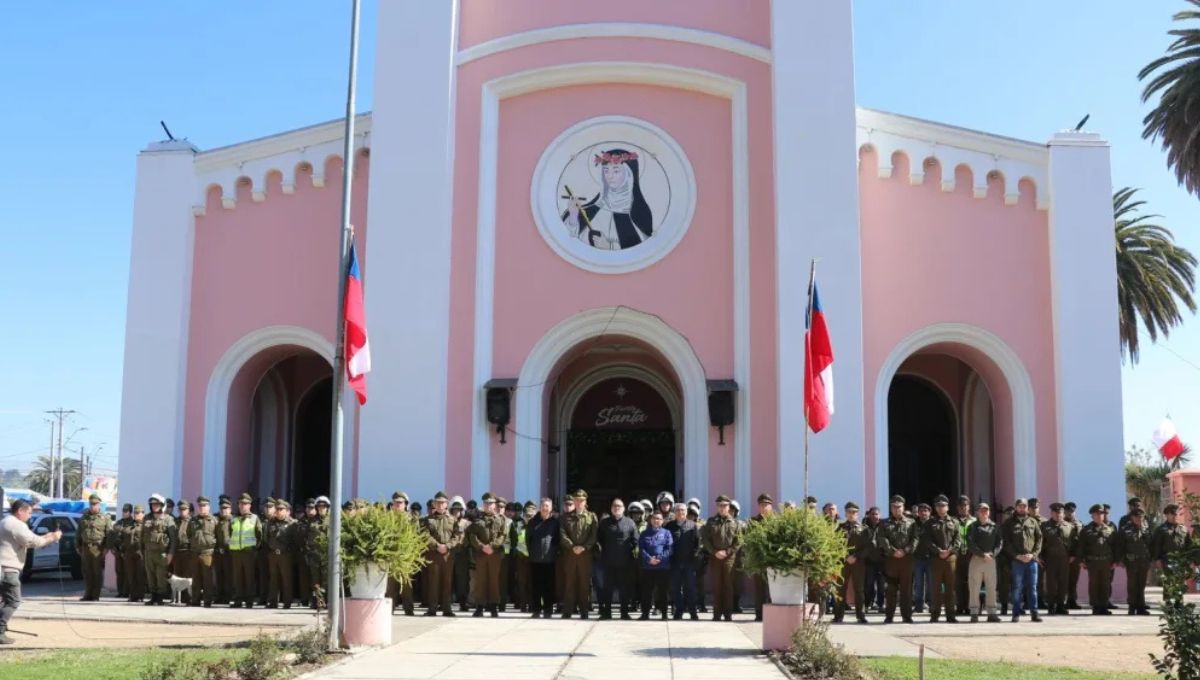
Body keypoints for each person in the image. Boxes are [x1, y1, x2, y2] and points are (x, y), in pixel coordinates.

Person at [1, 499, 63, 644]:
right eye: (28, 512)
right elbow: (33, 542)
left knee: (4, 600)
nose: (30, 516)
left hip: (3, 568)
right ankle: (0, 631)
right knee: (13, 601)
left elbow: (31, 539)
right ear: (20, 511)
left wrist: (47, 536)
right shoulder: (16, 525)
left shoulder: (5, 521)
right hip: (8, 570)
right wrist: (53, 537)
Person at [421, 491, 463, 617]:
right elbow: (424, 535)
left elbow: (457, 536)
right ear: (434, 504)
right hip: (433, 554)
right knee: (433, 582)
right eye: (438, 502)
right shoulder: (427, 520)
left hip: (447, 555)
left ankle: (447, 608)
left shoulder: (452, 520)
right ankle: (432, 608)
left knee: (447, 581)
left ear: (446, 505)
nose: (440, 505)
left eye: (442, 503)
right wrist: (437, 546)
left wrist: (447, 546)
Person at [876, 495, 917, 624]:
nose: (896, 509)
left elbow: (915, 539)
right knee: (891, 590)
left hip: (906, 560)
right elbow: (882, 539)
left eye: (899, 507)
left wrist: (905, 551)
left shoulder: (912, 522)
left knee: (906, 590)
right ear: (891, 508)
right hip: (891, 560)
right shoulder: (884, 523)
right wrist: (893, 551)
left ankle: (907, 616)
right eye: (894, 507)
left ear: (903, 507)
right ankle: (889, 616)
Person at [701, 494, 741, 622]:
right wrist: (714, 552)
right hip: (715, 557)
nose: (722, 508)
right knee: (717, 586)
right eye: (720, 505)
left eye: (724, 505)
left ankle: (728, 614)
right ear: (717, 507)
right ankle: (717, 614)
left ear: (729, 507)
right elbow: (705, 539)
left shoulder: (735, 522)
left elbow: (739, 540)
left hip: (729, 558)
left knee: (728, 586)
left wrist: (728, 551)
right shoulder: (711, 522)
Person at [597, 498, 638, 620]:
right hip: (608, 561)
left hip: (625, 562)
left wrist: (628, 550)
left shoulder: (630, 523)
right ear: (611, 508)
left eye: (619, 506)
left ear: (624, 509)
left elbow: (635, 540)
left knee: (624, 589)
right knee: (607, 588)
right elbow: (599, 540)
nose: (617, 508)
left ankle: (624, 613)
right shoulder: (604, 523)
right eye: (614, 506)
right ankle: (606, 612)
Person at [1003, 498, 1042, 623]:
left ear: (1027, 508)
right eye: (1020, 506)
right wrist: (1017, 556)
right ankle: (1016, 613)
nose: (1022, 508)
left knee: (1032, 588)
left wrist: (1033, 555)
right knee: (1017, 588)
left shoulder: (1032, 522)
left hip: (1031, 561)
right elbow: (1006, 543)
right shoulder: (1009, 523)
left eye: (1024, 506)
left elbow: (1039, 539)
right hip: (1017, 561)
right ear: (1016, 507)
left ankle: (1034, 613)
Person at [560, 489, 597, 619]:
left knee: (584, 584)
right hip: (570, 555)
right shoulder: (565, 517)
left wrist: (584, 548)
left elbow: (593, 536)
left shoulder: (592, 517)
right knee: (569, 582)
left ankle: (584, 611)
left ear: (585, 502)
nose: (578, 503)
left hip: (585, 556)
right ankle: (568, 610)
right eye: (576, 500)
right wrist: (572, 547)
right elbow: (562, 534)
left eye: (581, 501)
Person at [469, 493, 506, 617]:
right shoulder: (477, 519)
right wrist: (482, 546)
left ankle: (494, 606)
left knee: (494, 581)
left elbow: (502, 536)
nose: (488, 506)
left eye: (491, 503)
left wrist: (492, 546)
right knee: (481, 581)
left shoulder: (501, 519)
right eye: (486, 503)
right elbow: (472, 536)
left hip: (494, 554)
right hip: (481, 554)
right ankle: (479, 606)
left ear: (495, 505)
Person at [1074, 503, 1115, 615]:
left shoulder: (1109, 529)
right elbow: (1080, 547)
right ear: (1092, 516)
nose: (1100, 516)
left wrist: (1115, 561)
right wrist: (1080, 561)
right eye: (1097, 514)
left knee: (1105, 584)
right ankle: (1096, 606)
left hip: (1106, 561)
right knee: (1094, 584)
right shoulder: (1086, 530)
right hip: (1093, 562)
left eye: (1101, 514)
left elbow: (1114, 546)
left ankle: (1104, 606)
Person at [833, 502, 871, 624]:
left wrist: (856, 556)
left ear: (857, 514)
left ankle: (861, 615)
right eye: (849, 512)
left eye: (854, 512)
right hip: (843, 562)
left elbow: (868, 547)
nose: (851, 514)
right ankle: (838, 615)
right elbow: (836, 544)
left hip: (858, 562)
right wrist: (845, 556)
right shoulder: (840, 528)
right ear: (845, 513)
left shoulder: (864, 529)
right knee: (840, 589)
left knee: (859, 589)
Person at [926, 495, 961, 623]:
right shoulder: (930, 523)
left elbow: (958, 540)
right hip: (936, 559)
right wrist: (938, 551)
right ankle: (935, 614)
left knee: (950, 588)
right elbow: (927, 540)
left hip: (950, 559)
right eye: (939, 506)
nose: (941, 508)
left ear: (947, 507)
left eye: (944, 506)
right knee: (935, 588)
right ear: (935, 508)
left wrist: (949, 551)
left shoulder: (954, 522)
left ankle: (950, 615)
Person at [966, 502, 1003, 623]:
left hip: (990, 560)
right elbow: (970, 543)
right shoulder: (972, 527)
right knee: (974, 587)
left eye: (986, 510)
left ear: (989, 512)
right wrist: (982, 554)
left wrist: (993, 554)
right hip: (977, 559)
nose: (984, 512)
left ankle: (992, 613)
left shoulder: (995, 526)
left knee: (991, 587)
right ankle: (974, 613)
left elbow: (1000, 542)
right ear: (977, 512)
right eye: (982, 510)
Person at [76, 493, 114, 601]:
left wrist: (107, 548)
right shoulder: (84, 517)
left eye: (95, 504)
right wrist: (77, 546)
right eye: (91, 504)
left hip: (98, 548)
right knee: (87, 572)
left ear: (99, 505)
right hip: (85, 548)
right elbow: (79, 532)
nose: (93, 506)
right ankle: (88, 593)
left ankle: (95, 595)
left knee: (97, 572)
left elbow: (110, 534)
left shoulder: (105, 518)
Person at [525, 497, 559, 618]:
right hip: (536, 559)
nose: (545, 508)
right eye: (543, 505)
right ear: (540, 507)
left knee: (549, 586)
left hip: (550, 560)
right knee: (536, 586)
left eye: (547, 506)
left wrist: (554, 553)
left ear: (551, 508)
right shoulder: (533, 522)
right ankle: (536, 610)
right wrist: (532, 553)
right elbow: (528, 540)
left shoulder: (555, 522)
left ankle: (548, 610)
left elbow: (557, 540)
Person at [665, 502, 699, 620]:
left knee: (690, 589)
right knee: (675, 589)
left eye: (683, 510)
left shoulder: (692, 525)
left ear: (686, 512)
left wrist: (694, 558)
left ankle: (693, 611)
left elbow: (697, 544)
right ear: (675, 512)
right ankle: (678, 611)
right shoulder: (669, 526)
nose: (680, 512)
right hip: (674, 563)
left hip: (689, 563)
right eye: (678, 510)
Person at [1039, 502, 1075, 615]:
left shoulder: (1069, 527)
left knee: (1063, 582)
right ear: (1051, 513)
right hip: (1050, 559)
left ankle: (1061, 605)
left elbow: (1074, 542)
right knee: (1051, 583)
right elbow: (1040, 542)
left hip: (1064, 559)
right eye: (1055, 512)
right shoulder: (1045, 526)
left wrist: (1073, 555)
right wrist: (1040, 556)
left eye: (1060, 512)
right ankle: (1051, 605)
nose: (1058, 514)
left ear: (1063, 513)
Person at [141, 493, 177, 606]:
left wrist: (170, 554)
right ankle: (153, 597)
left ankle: (160, 598)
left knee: (160, 576)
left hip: (162, 553)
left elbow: (173, 539)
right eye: (152, 505)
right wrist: (142, 551)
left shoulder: (168, 519)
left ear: (162, 505)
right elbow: (142, 535)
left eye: (157, 504)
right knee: (150, 576)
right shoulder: (147, 518)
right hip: (148, 552)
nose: (154, 506)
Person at [1115, 508, 1152, 615]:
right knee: (1132, 584)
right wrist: (1120, 559)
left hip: (1144, 560)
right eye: (1136, 517)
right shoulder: (1125, 529)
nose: (1139, 519)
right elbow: (1120, 546)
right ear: (1132, 518)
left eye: (1141, 517)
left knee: (1141, 585)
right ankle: (1132, 607)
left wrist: (1152, 559)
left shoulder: (1147, 529)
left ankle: (1141, 607)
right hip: (1131, 561)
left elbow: (1151, 545)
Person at [229, 492, 263, 609]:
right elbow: (230, 534)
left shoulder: (254, 518)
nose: (242, 506)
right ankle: (237, 600)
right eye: (240, 504)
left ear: (250, 505)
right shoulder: (234, 519)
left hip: (249, 552)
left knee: (249, 577)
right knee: (237, 577)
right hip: (236, 553)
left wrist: (255, 548)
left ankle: (249, 601)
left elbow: (260, 535)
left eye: (245, 504)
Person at [638, 511, 673, 620]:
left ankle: (664, 614)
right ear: (650, 520)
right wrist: (649, 559)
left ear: (662, 521)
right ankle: (645, 614)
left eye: (658, 518)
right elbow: (641, 549)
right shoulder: (644, 533)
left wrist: (659, 558)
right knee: (646, 592)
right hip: (647, 567)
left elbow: (669, 549)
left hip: (662, 567)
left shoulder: (667, 533)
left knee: (663, 592)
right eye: (654, 518)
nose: (656, 520)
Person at [386, 492, 416, 615]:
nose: (398, 505)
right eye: (395, 503)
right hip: (391, 555)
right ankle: (389, 609)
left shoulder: (410, 519)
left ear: (405, 505)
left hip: (405, 556)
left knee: (406, 585)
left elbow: (416, 537)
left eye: (400, 503)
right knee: (390, 586)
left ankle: (408, 609)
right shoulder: (387, 518)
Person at [188, 496, 219, 607]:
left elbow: (218, 536)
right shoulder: (193, 521)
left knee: (207, 578)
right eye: (200, 506)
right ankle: (195, 600)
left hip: (208, 553)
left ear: (209, 507)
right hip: (195, 552)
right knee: (195, 578)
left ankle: (207, 600)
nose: (202, 508)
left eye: (204, 506)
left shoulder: (214, 520)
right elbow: (189, 534)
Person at [265, 500, 297, 609]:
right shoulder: (271, 522)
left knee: (286, 579)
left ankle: (287, 602)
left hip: (285, 555)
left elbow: (295, 541)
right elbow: (267, 538)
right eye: (277, 509)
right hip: (273, 555)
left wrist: (289, 552)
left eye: (281, 509)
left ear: (287, 511)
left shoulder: (292, 524)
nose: (278, 511)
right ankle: (273, 602)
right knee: (273, 579)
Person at [750, 493, 774, 621]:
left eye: (766, 505)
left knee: (773, 589)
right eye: (761, 505)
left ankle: (771, 615)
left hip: (772, 560)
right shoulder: (753, 522)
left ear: (771, 506)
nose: (764, 507)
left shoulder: (776, 521)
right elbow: (748, 541)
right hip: (758, 560)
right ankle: (759, 614)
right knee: (759, 589)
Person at [1151, 504, 1190, 578]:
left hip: (1181, 563)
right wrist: (1158, 561)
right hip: (1166, 563)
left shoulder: (1184, 529)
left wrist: (1189, 562)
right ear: (1166, 515)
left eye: (1176, 514)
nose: (1174, 516)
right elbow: (1156, 547)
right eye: (1172, 514)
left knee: (1181, 587)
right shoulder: (1160, 530)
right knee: (1169, 587)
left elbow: (1188, 546)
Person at [305, 496, 330, 609]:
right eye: (319, 506)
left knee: (326, 580)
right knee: (315, 580)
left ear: (327, 508)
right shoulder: (312, 521)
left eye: (323, 506)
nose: (321, 508)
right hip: (314, 555)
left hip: (326, 555)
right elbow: (306, 536)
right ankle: (316, 601)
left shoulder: (332, 520)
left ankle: (326, 601)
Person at [119, 505, 147, 602]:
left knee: (140, 575)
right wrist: (122, 550)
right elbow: (122, 538)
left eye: (138, 513)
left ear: (143, 514)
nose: (136, 515)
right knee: (130, 575)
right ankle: (132, 595)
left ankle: (140, 595)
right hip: (129, 553)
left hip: (140, 553)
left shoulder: (146, 525)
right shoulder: (128, 524)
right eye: (135, 513)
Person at [953, 495, 975, 616]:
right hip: (957, 554)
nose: (963, 508)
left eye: (965, 506)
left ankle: (969, 606)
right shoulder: (952, 520)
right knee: (958, 582)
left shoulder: (974, 521)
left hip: (970, 555)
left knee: (970, 582)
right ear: (957, 507)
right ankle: (959, 606)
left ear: (969, 507)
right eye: (961, 506)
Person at [911, 503, 933, 615]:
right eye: (921, 511)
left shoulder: (933, 524)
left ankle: (932, 605)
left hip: (931, 557)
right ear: (918, 513)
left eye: (926, 511)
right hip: (918, 557)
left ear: (930, 512)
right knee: (918, 583)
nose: (923, 513)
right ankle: (919, 605)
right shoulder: (913, 524)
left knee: (931, 583)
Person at [863, 506, 886, 613]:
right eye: (872, 514)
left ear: (879, 515)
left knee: (881, 585)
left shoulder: (884, 526)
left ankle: (880, 605)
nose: (875, 516)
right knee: (869, 585)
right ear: (869, 515)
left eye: (876, 514)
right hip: (869, 561)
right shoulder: (864, 527)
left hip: (882, 561)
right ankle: (867, 604)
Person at [1063, 501, 1084, 609]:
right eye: (1068, 511)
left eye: (1072, 511)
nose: (1070, 513)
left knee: (1073, 580)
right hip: (1064, 557)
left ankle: (1072, 601)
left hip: (1076, 557)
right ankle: (1062, 601)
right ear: (1065, 512)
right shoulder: (1061, 523)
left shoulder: (1079, 523)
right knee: (1063, 580)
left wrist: (1079, 557)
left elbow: (1082, 541)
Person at [112, 503, 133, 599]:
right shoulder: (119, 522)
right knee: (119, 571)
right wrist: (113, 548)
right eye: (123, 511)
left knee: (128, 572)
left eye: (126, 511)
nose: (124, 513)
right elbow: (113, 535)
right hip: (118, 551)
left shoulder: (133, 523)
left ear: (130, 512)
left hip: (128, 551)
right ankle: (120, 591)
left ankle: (126, 592)